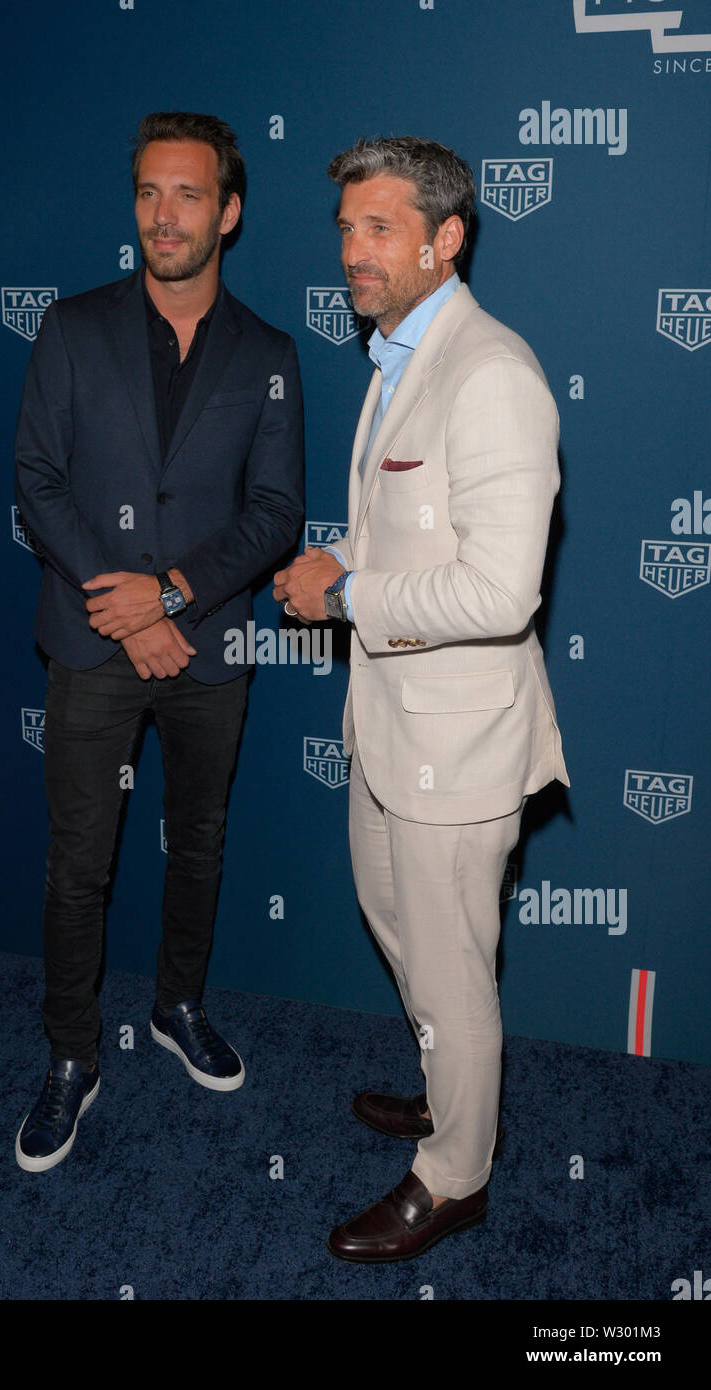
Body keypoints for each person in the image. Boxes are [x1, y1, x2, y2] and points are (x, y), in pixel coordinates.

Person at [274, 136, 568, 1261]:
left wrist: (349, 587)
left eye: (379, 228)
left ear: (445, 240)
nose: (353, 249)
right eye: (346, 226)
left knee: (450, 957)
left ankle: (454, 1177)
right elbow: (414, 531)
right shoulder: (397, 351)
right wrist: (347, 559)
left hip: (458, 743)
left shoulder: (490, 372)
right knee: (402, 928)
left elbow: (500, 588)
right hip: (391, 728)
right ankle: (457, 1091)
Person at [14, 111, 304, 1172]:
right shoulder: (70, 327)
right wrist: (128, 611)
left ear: (227, 212)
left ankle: (179, 1004)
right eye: (147, 192)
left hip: (208, 650)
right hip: (94, 644)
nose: (163, 214)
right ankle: (71, 1055)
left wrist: (170, 597)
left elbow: (275, 513)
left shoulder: (268, 353)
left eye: (187, 194)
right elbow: (37, 482)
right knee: (77, 866)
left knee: (200, 844)